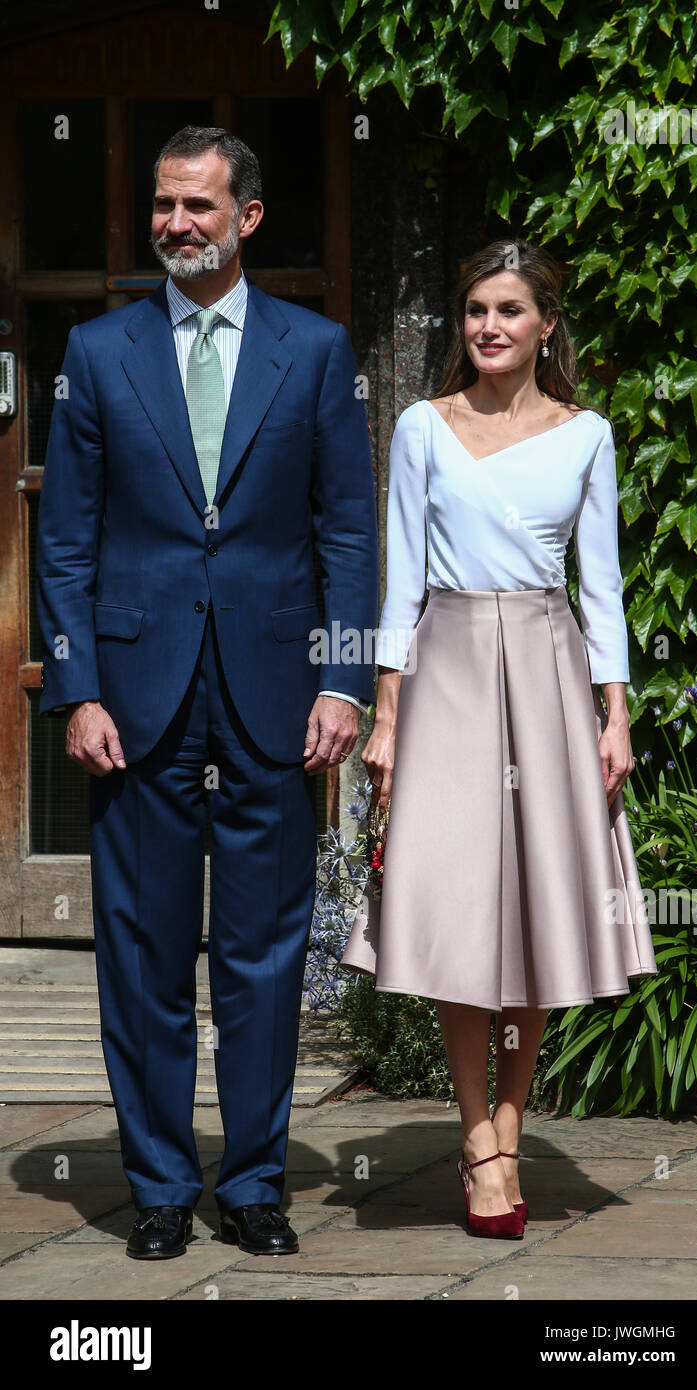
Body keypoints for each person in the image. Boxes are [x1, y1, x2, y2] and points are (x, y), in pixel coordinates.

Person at [36, 126, 378, 1259]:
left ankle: (258, 1183)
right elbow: (67, 540)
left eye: (199, 205)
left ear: (249, 217)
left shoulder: (316, 351)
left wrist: (341, 677)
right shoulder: (96, 349)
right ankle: (160, 1187)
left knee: (265, 951)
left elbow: (345, 532)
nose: (178, 223)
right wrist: (75, 687)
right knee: (140, 948)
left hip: (279, 696)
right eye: (164, 206)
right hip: (132, 699)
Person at [341, 238, 657, 1240]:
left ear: (544, 326)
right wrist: (385, 708)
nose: (487, 327)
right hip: (444, 672)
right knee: (456, 917)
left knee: (532, 920)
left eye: (508, 311)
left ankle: (506, 1134)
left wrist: (615, 713)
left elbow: (598, 588)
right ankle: (476, 1136)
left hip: (549, 670)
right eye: (474, 309)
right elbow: (397, 575)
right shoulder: (420, 428)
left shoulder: (586, 437)